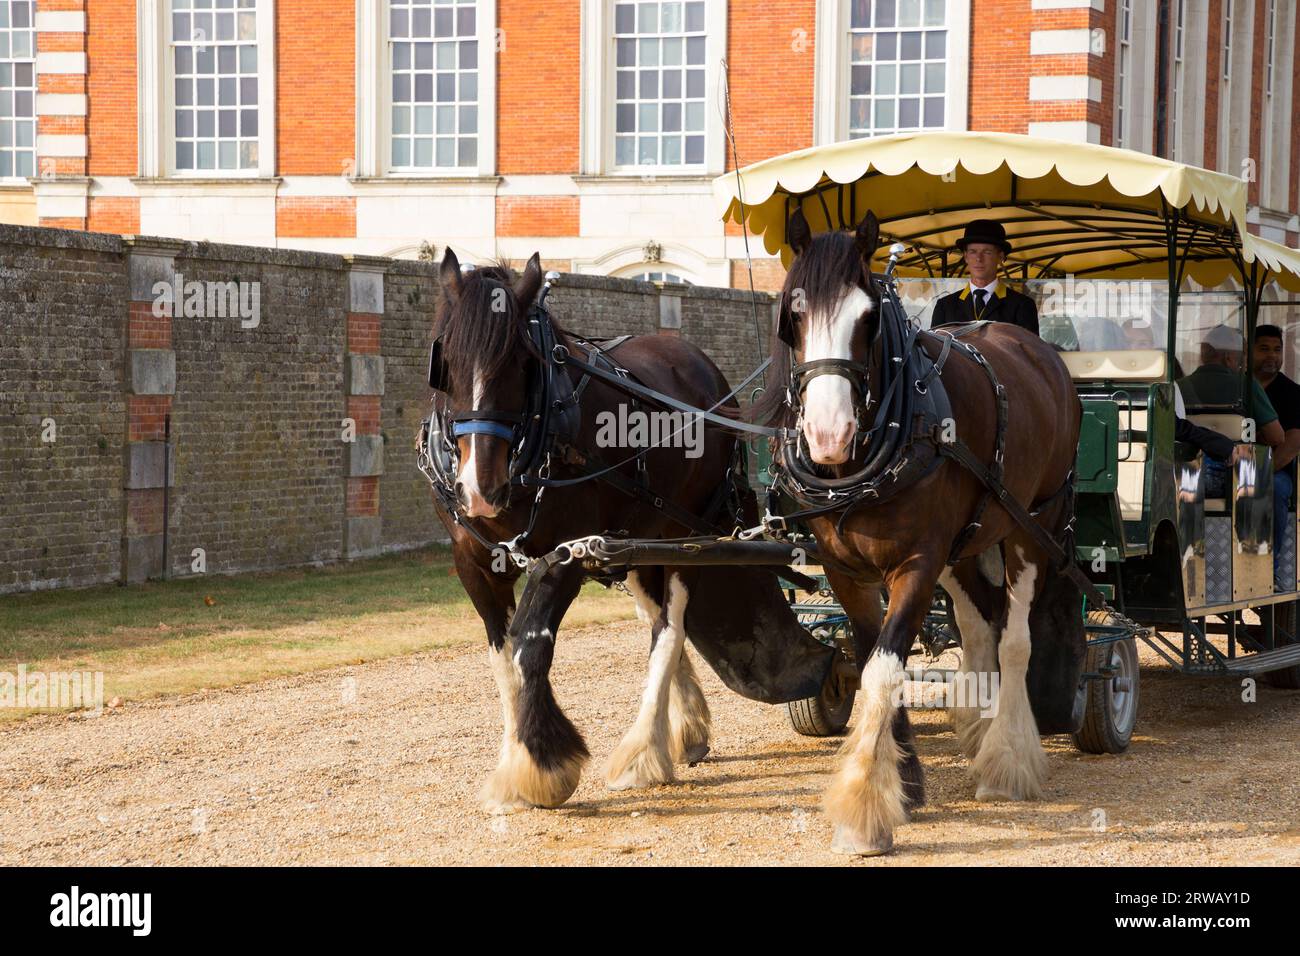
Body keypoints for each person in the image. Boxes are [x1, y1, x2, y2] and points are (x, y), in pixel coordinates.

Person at [1178, 324, 1291, 589]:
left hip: (1187, 475)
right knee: (1276, 485)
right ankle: (1265, 573)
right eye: (1239, 358)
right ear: (1229, 358)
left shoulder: (1181, 385)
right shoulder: (1244, 384)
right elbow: (1277, 437)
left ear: (1206, 352)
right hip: (1237, 475)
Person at [931, 219, 1039, 335]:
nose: (979, 258)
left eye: (987, 252)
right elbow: (934, 351)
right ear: (966, 256)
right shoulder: (945, 306)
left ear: (1000, 257)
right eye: (973, 252)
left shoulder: (1022, 305)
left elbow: (1030, 351)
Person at [1252, 324, 1300, 471]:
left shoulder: (1293, 392)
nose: (1272, 355)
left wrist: (1263, 475)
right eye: (1264, 349)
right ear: (1248, 351)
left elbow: (1294, 440)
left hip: (1276, 472)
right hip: (1232, 466)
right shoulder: (1237, 385)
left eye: (1277, 350)